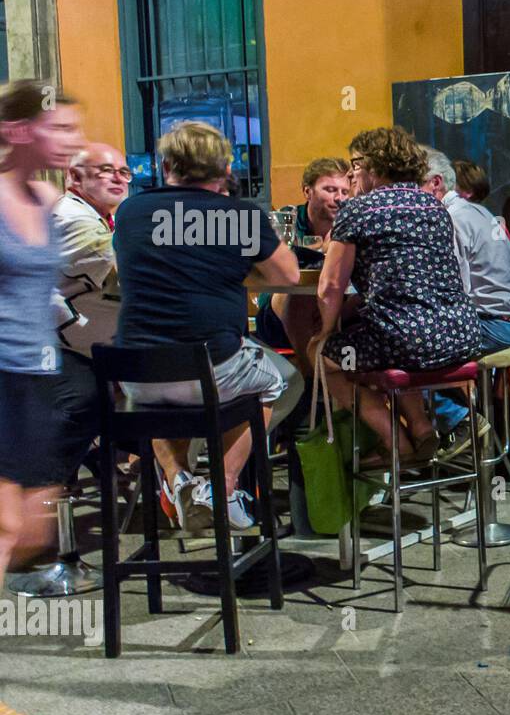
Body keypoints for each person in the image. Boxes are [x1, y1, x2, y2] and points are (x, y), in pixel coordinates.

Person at [114, 121, 303, 532]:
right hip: (212, 367)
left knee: (161, 398)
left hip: (133, 373)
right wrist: (233, 271)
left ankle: (178, 478)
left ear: (166, 165)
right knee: (281, 380)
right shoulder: (237, 215)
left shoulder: (130, 212)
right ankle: (222, 486)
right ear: (224, 169)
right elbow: (288, 276)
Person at [308, 128, 479, 464]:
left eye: (355, 165)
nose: (352, 173)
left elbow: (329, 286)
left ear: (372, 166)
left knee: (322, 358)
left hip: (404, 339)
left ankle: (395, 442)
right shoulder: (434, 206)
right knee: (392, 342)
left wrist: (325, 332)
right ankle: (421, 428)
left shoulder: (358, 210)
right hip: (460, 336)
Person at [0, 79, 85, 715]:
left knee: (32, 530)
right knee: (7, 528)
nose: (72, 141)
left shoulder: (51, 200)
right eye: (60, 128)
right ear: (20, 131)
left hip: (33, 376)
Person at [419, 149, 510, 456]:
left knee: (408, 347)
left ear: (435, 184)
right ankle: (460, 430)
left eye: (415, 186)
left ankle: (462, 422)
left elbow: (458, 292)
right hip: (507, 320)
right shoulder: (475, 211)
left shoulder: (451, 218)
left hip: (493, 325)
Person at [43, 144, 131, 492]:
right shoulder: (73, 220)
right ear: (74, 178)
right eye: (105, 170)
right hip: (58, 348)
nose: (118, 178)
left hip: (89, 346)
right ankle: (38, 496)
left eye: (123, 172)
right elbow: (126, 267)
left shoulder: (99, 216)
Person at [254, 157, 350, 367]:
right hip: (276, 319)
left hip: (330, 309)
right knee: (290, 294)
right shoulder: (285, 222)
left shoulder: (350, 227)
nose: (339, 198)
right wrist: (318, 250)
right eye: (330, 190)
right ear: (307, 191)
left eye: (344, 192)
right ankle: (312, 371)